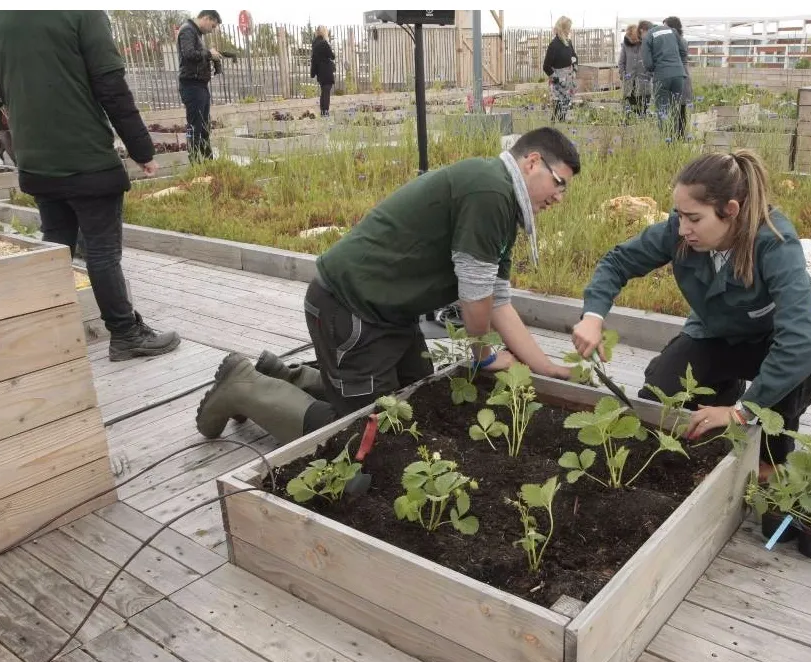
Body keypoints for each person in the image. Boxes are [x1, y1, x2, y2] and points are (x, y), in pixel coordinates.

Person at [196, 128, 581, 444]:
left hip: (389, 315)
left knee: (417, 401)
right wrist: (481, 354)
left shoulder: (498, 196)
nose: (560, 198)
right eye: (559, 183)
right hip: (350, 311)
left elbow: (497, 298)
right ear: (532, 163)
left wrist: (544, 366)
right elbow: (474, 299)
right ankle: (242, 386)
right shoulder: (490, 193)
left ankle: (281, 375)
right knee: (365, 437)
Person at [571, 150, 811, 479]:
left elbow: (801, 340)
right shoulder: (679, 233)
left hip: (771, 343)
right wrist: (592, 317)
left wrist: (742, 413)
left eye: (694, 218)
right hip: (715, 334)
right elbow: (618, 262)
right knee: (661, 393)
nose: (683, 228)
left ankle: (771, 459)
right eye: (680, 216)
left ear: (731, 210)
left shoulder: (774, 244)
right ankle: (723, 396)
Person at [0, 10, 181, 362]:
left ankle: (52, 333)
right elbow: (112, 88)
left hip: (36, 159)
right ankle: (125, 334)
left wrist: (14, 143)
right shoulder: (82, 13)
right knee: (102, 253)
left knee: (57, 245)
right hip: (84, 157)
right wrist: (142, 149)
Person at [177, 10, 222, 162]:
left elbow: (197, 55)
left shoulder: (196, 33)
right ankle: (195, 165)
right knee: (195, 127)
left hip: (199, 86)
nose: (212, 30)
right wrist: (209, 54)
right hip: (191, 86)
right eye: (213, 25)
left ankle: (209, 162)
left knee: (204, 126)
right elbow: (189, 54)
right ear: (206, 18)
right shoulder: (187, 30)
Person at [642, 17, 688, 139]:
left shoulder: (648, 36)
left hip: (662, 76)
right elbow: (683, 50)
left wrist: (655, 69)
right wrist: (678, 64)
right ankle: (677, 139)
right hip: (679, 75)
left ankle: (666, 141)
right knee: (675, 108)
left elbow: (647, 63)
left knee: (663, 110)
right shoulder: (672, 31)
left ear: (644, 30)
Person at [543, 16, 578, 122]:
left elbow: (574, 57)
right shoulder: (554, 45)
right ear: (563, 29)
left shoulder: (568, 43)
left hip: (568, 81)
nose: (570, 31)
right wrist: (556, 79)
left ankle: (562, 129)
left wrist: (575, 70)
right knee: (557, 109)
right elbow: (546, 66)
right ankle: (552, 131)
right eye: (568, 28)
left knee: (565, 109)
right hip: (558, 83)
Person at [665, 17, 693, 138]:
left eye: (666, 27)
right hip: (673, 78)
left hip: (680, 78)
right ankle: (673, 138)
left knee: (680, 110)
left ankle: (678, 138)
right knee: (673, 110)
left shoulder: (681, 41)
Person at [619, 24, 649, 117]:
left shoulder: (646, 44)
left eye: (635, 38)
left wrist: (649, 75)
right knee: (629, 112)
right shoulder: (625, 46)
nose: (634, 41)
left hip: (643, 84)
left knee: (642, 111)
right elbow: (621, 63)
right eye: (631, 39)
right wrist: (623, 75)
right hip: (629, 83)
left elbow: (651, 62)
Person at [309, 26, 336, 117]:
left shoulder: (315, 44)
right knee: (327, 91)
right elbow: (332, 56)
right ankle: (326, 112)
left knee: (323, 91)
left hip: (320, 72)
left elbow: (314, 59)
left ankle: (322, 112)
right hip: (326, 71)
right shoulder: (324, 43)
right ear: (324, 32)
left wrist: (313, 72)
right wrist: (329, 44)